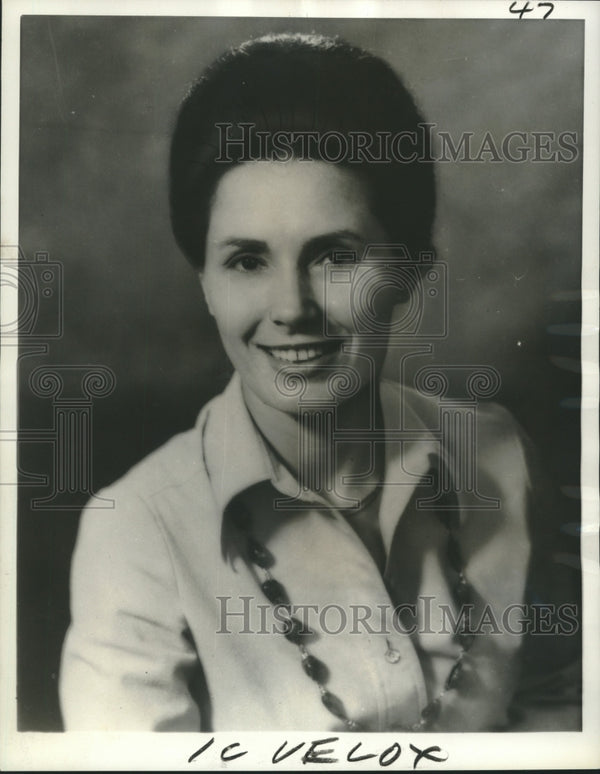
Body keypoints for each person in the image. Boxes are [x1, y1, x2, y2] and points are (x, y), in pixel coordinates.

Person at [59, 32, 580, 732]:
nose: (292, 309)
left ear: (411, 272)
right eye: (247, 261)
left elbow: (561, 707)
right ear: (206, 283)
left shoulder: (503, 457)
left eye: (335, 256)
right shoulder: (135, 532)